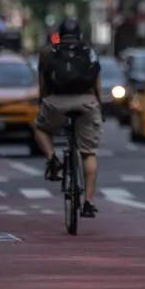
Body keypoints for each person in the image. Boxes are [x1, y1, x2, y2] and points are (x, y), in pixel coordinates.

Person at [33, 19, 103, 218]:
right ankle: (88, 202)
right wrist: (99, 106)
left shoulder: (48, 53)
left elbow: (42, 84)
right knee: (88, 152)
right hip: (86, 103)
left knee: (40, 128)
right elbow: (97, 85)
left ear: (59, 34)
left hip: (56, 102)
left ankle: (52, 158)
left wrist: (44, 102)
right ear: (79, 34)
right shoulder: (90, 52)